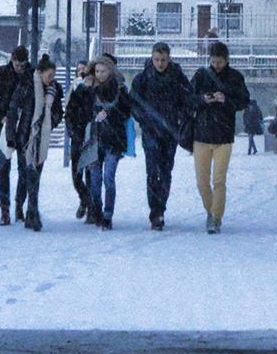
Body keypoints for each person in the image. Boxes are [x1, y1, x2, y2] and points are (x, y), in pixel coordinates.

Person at [187, 40, 250, 234]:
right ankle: (211, 211)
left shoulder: (235, 78)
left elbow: (244, 101)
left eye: (220, 62)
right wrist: (201, 100)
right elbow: (188, 98)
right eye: (213, 62)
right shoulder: (200, 76)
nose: (216, 66)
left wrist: (226, 100)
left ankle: (216, 218)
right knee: (201, 182)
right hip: (201, 135)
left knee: (219, 180)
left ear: (227, 60)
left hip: (223, 136)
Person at [128, 41, 190, 230]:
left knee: (165, 172)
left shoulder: (178, 78)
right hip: (151, 132)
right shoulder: (143, 78)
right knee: (152, 172)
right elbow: (134, 103)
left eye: (163, 60)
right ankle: (156, 212)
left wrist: (179, 120)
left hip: (170, 132)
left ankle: (160, 207)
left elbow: (188, 100)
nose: (160, 64)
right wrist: (145, 121)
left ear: (169, 59)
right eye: (157, 59)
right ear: (151, 58)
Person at [1, 56, 63, 231]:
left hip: (41, 138)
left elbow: (58, 112)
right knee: (29, 175)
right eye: (49, 75)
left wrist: (50, 122)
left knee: (34, 175)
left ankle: (27, 210)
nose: (51, 79)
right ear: (40, 73)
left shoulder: (54, 90)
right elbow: (13, 109)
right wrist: (11, 135)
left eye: (53, 75)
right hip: (25, 137)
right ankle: (31, 212)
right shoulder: (27, 85)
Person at [0, 45, 32, 225]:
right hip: (6, 124)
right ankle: (6, 209)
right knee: (5, 167)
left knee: (23, 168)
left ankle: (18, 206)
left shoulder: (29, 74)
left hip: (23, 125)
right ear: (12, 59)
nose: (19, 68)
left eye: (22, 65)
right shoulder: (3, 73)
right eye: (17, 65)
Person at [82, 54, 133, 230]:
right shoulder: (90, 87)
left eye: (103, 71)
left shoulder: (120, 88)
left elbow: (127, 112)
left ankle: (107, 214)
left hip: (114, 139)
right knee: (95, 180)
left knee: (109, 177)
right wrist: (85, 91)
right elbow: (81, 108)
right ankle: (96, 209)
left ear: (110, 70)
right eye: (97, 71)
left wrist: (110, 114)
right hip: (94, 139)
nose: (100, 74)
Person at [65, 61, 97, 220]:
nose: (82, 72)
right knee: (76, 175)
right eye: (79, 70)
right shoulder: (78, 89)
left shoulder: (97, 90)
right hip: (78, 135)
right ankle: (85, 199)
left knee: (91, 175)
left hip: (91, 137)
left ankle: (92, 208)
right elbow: (70, 110)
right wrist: (72, 131)